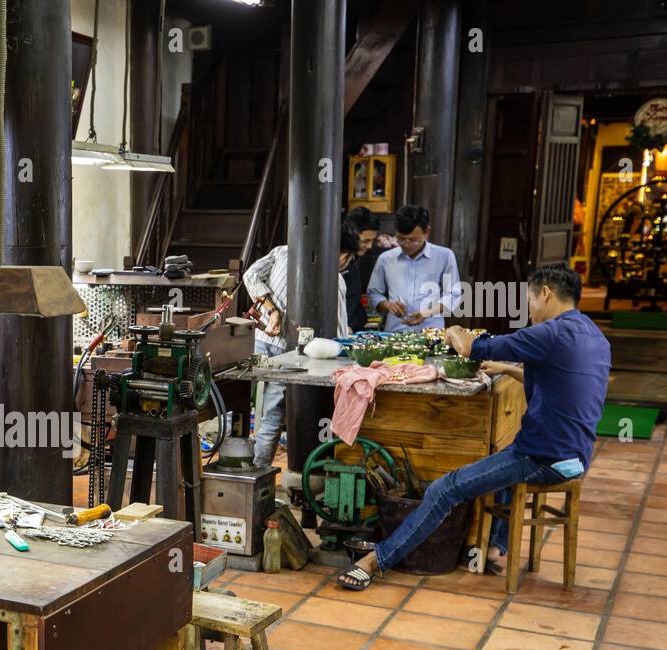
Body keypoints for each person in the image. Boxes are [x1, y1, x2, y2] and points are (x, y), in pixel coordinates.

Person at [339, 265, 610, 591]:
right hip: (577, 453)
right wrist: (508, 370)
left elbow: (469, 348)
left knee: (445, 488)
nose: (529, 309)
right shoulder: (594, 335)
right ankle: (496, 549)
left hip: (544, 458)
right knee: (504, 454)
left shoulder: (548, 334)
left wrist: (452, 329)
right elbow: (559, 382)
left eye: (529, 301)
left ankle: (376, 560)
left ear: (546, 293)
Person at [244, 224, 357, 468]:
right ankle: (259, 471)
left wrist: (271, 310)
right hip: (290, 353)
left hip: (260, 340)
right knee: (272, 415)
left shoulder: (282, 251)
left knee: (240, 405)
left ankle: (240, 467)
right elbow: (338, 333)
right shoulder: (334, 280)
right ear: (342, 255)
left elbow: (250, 275)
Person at [366, 204, 462, 331]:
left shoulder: (444, 256)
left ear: (427, 232)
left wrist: (426, 313)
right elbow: (374, 293)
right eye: (401, 239)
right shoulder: (386, 259)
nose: (406, 245)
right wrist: (388, 306)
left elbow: (453, 294)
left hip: (431, 333)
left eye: (413, 240)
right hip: (394, 333)